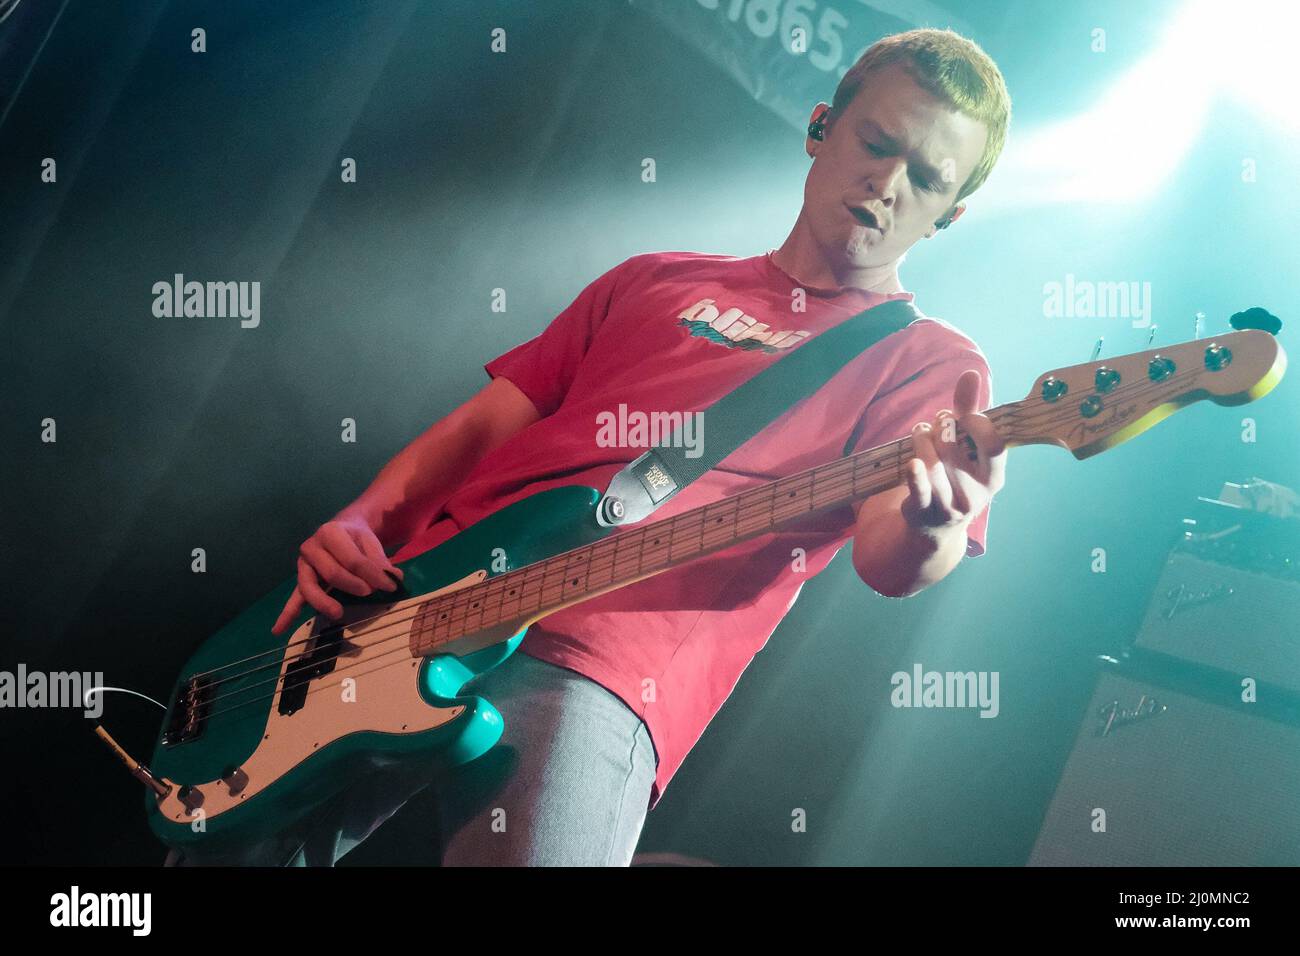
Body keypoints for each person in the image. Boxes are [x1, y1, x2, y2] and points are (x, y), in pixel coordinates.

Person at [167, 26, 1011, 867]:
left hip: (602, 665)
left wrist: (935, 525)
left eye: (928, 177)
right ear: (821, 126)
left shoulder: (930, 360)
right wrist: (362, 521)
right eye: (876, 142)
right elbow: (482, 428)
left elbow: (890, 562)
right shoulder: (653, 278)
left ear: (953, 213)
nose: (889, 182)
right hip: (402, 609)